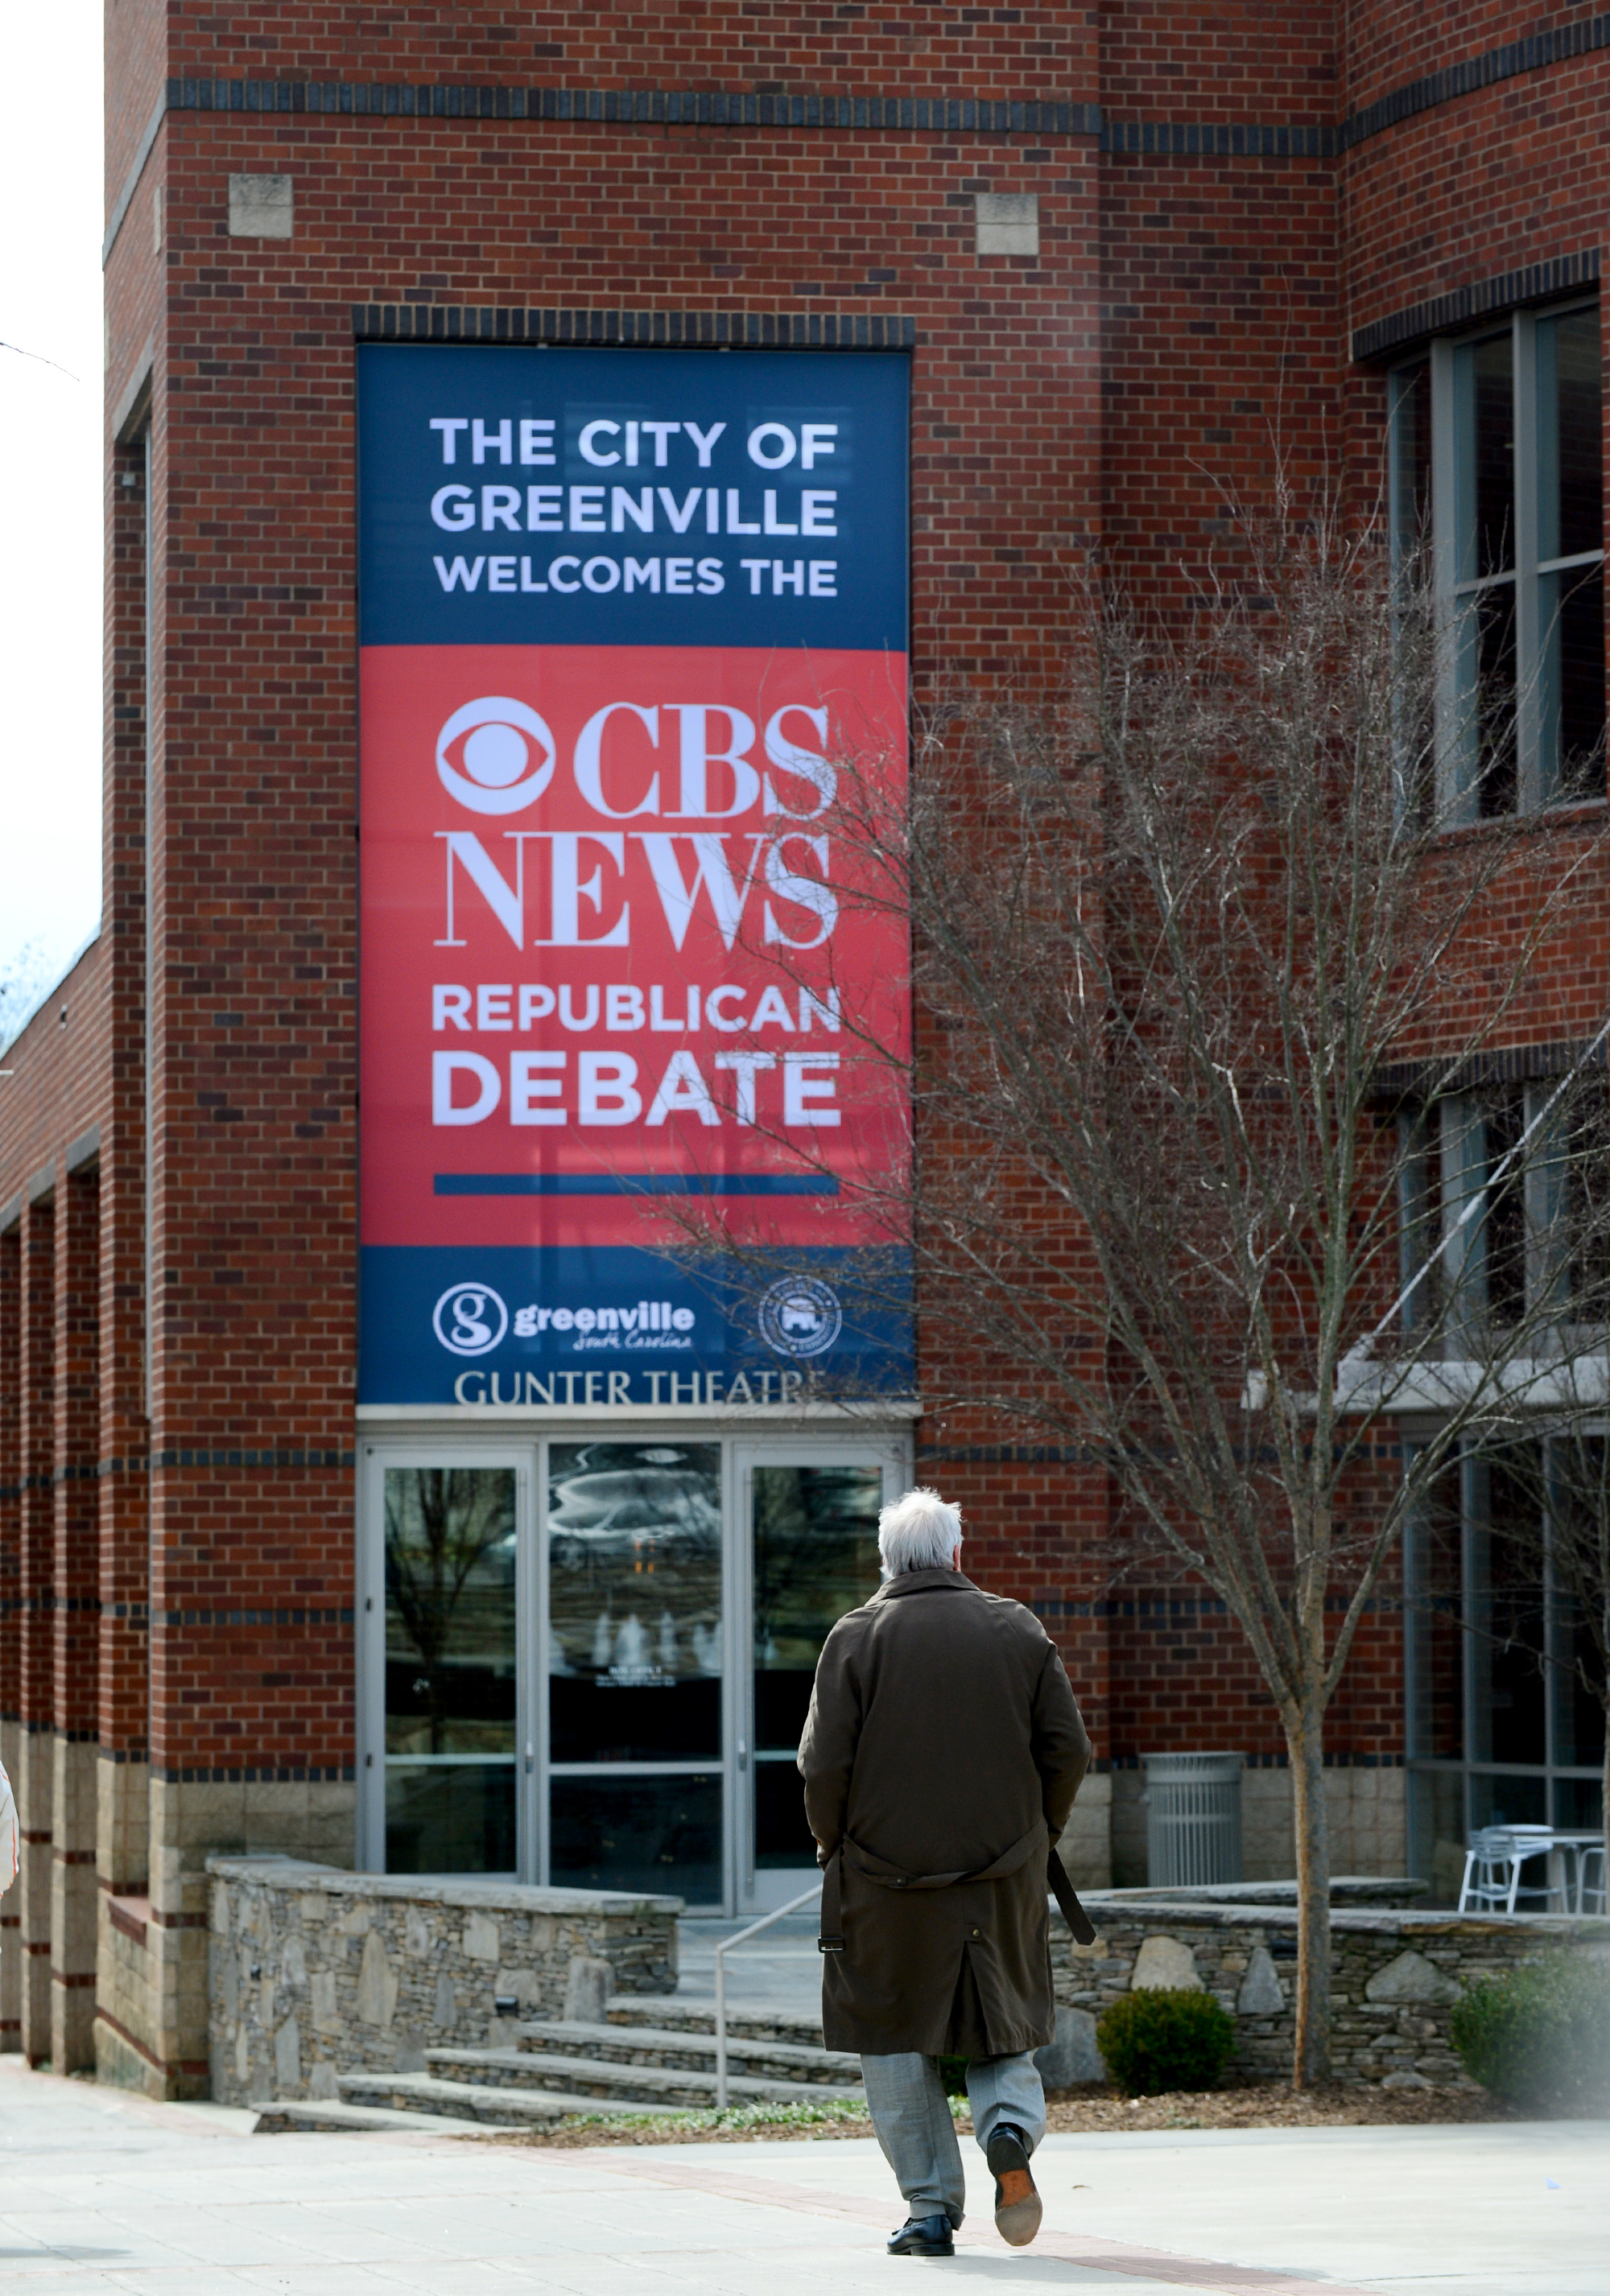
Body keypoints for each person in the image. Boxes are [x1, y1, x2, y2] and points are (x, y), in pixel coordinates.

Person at [798, 1486, 1092, 2258]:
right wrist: (1039, 1836)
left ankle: (930, 2210)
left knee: (893, 2036)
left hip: (885, 1885)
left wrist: (834, 1847)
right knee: (1001, 2025)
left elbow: (820, 1764)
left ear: (887, 1561)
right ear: (957, 1554)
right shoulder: (1018, 1629)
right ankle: (1006, 2130)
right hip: (1001, 1878)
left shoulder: (855, 1638)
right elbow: (1070, 1749)